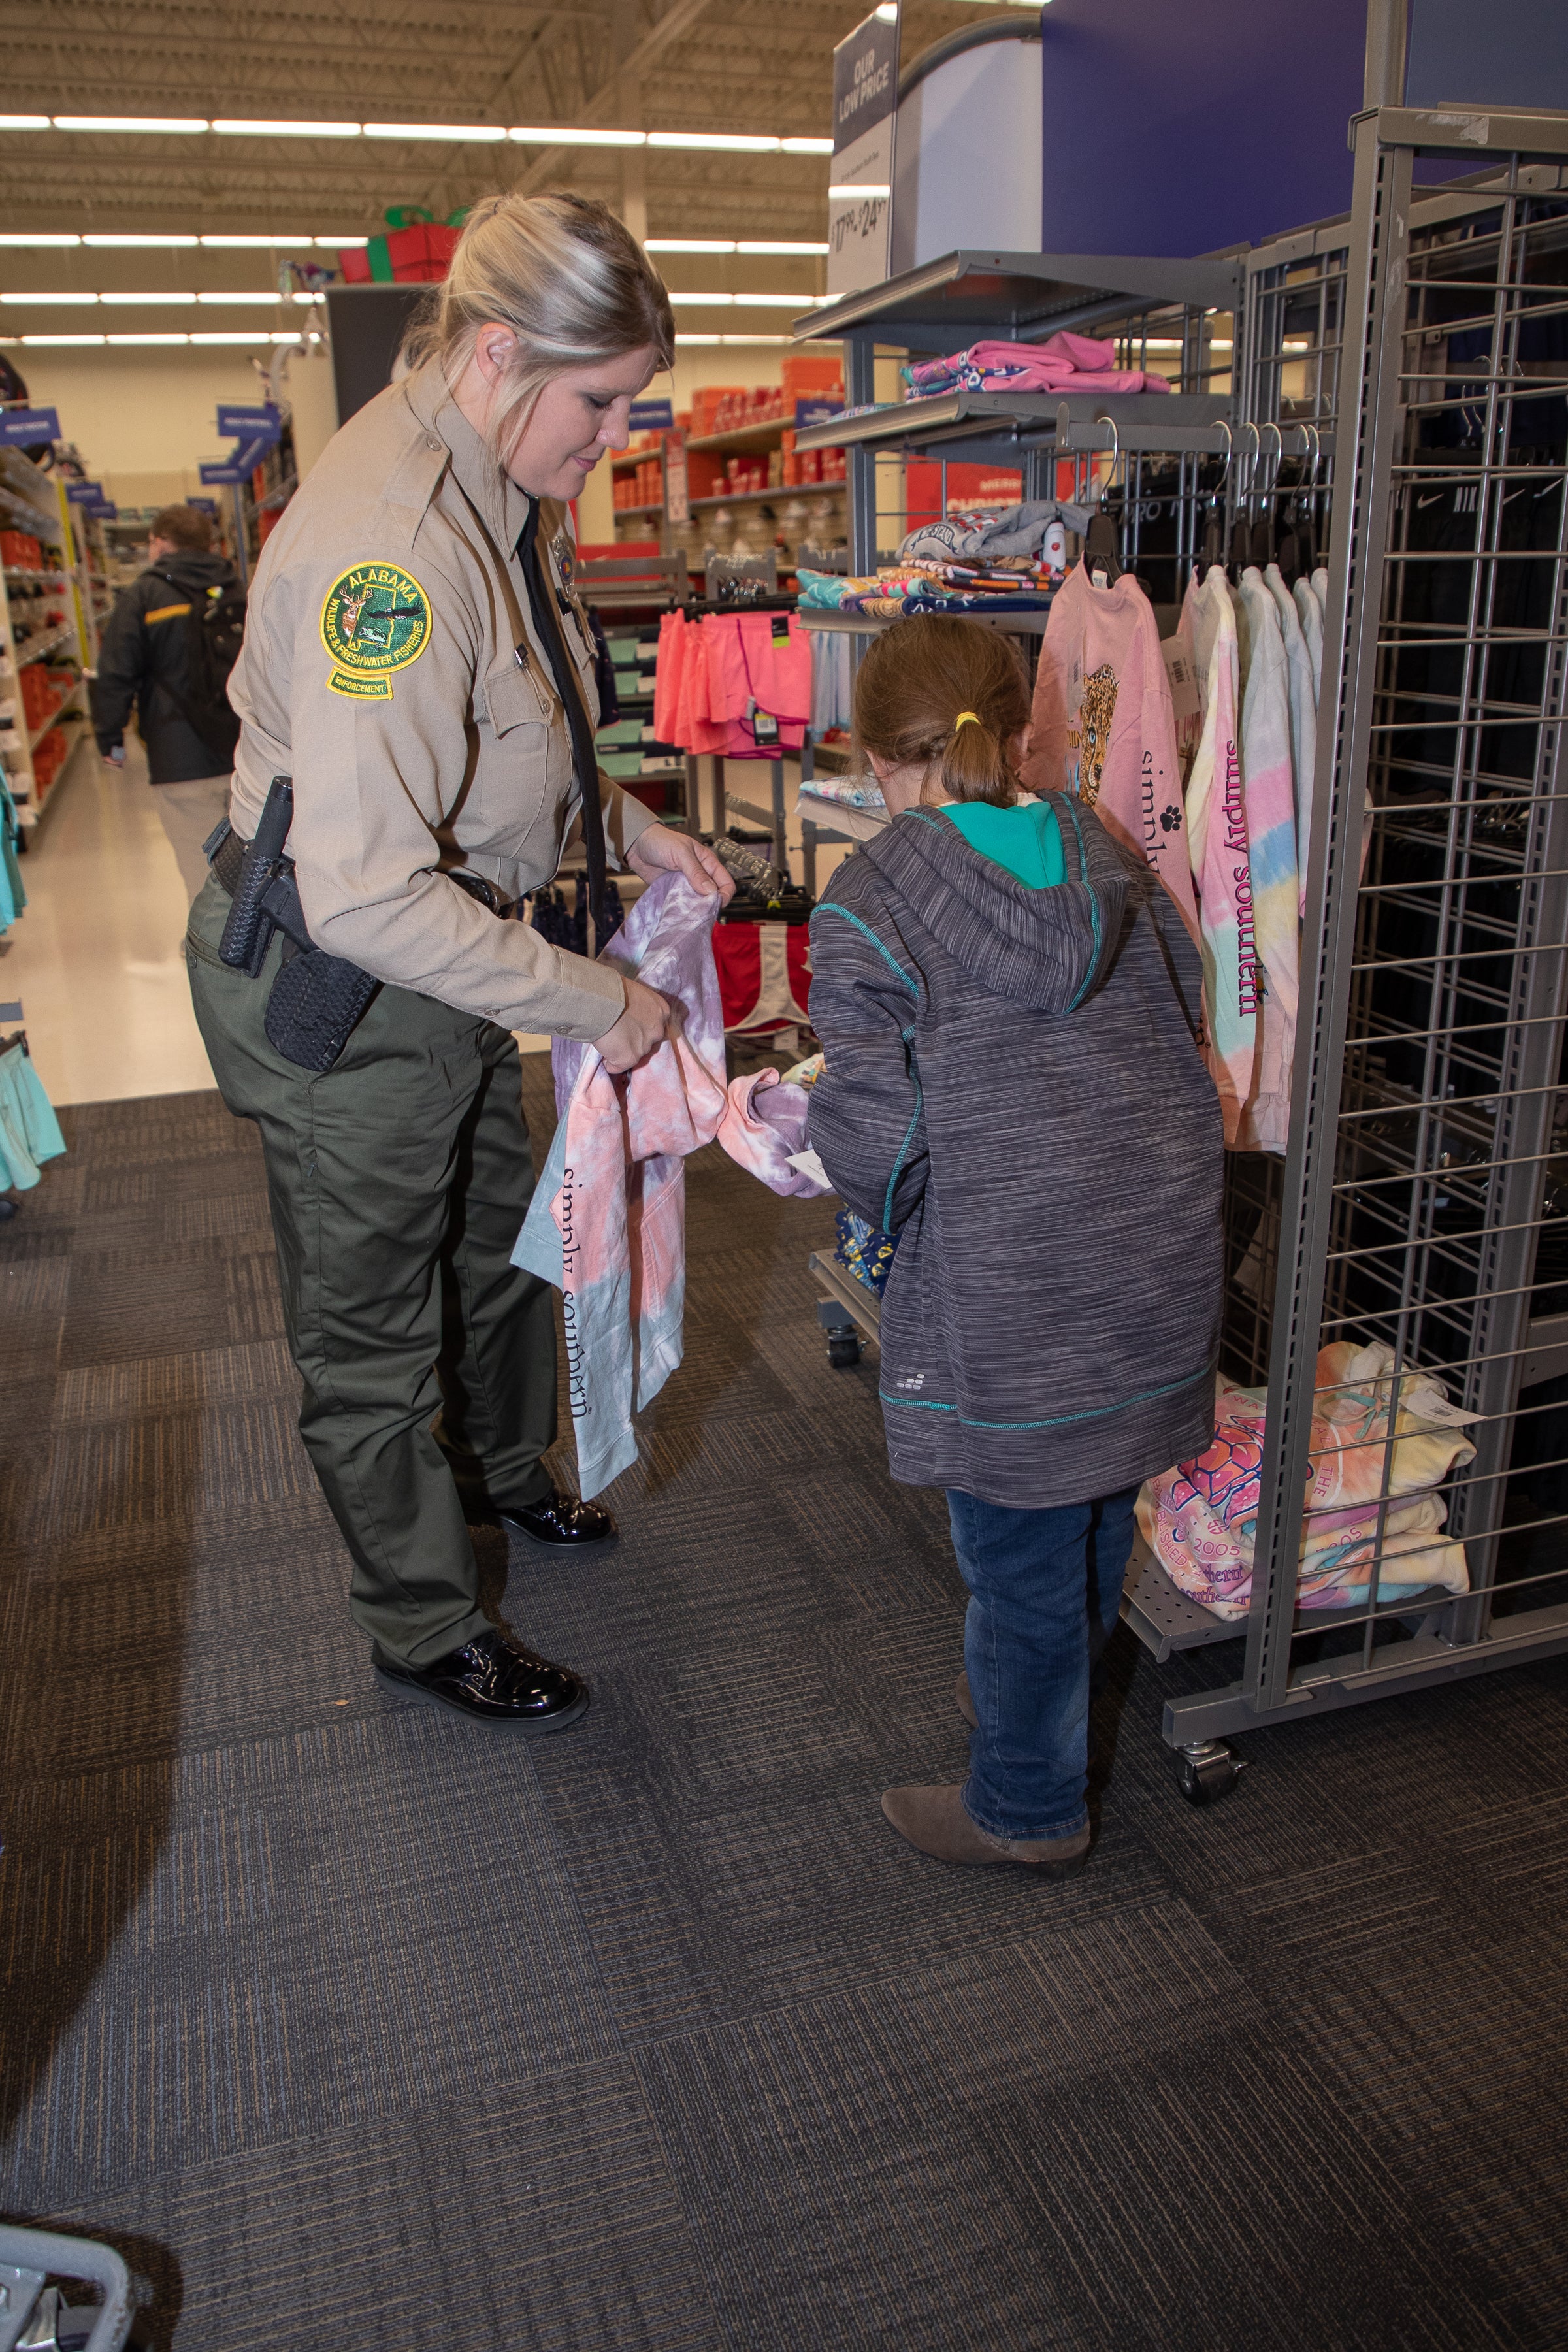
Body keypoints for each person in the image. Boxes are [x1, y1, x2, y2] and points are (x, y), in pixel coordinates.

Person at [186, 191, 732, 1733]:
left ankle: (501, 1478)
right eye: (601, 403)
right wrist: (598, 1001)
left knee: (505, 1239)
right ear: (500, 351)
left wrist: (623, 826)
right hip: (342, 983)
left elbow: (510, 730)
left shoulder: (498, 476)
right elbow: (358, 892)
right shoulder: (395, 552)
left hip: (451, 957)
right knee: (369, 1328)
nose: (613, 438)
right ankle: (425, 1621)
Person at [807, 615, 1224, 1876]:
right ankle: (1043, 1718)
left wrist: (820, 1152)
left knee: (1015, 1555)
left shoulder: (873, 898)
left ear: (879, 755)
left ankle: (1027, 1805)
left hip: (1009, 1285)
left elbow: (882, 1133)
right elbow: (1190, 1008)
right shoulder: (1100, 846)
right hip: (1146, 1257)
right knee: (1095, 1510)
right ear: (1018, 728)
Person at [91, 502, 243, 900]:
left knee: (205, 877)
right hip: (247, 750)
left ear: (159, 543)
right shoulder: (237, 586)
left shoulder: (145, 593)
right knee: (254, 865)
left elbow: (117, 672)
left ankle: (215, 958)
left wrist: (111, 739)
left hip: (180, 756)